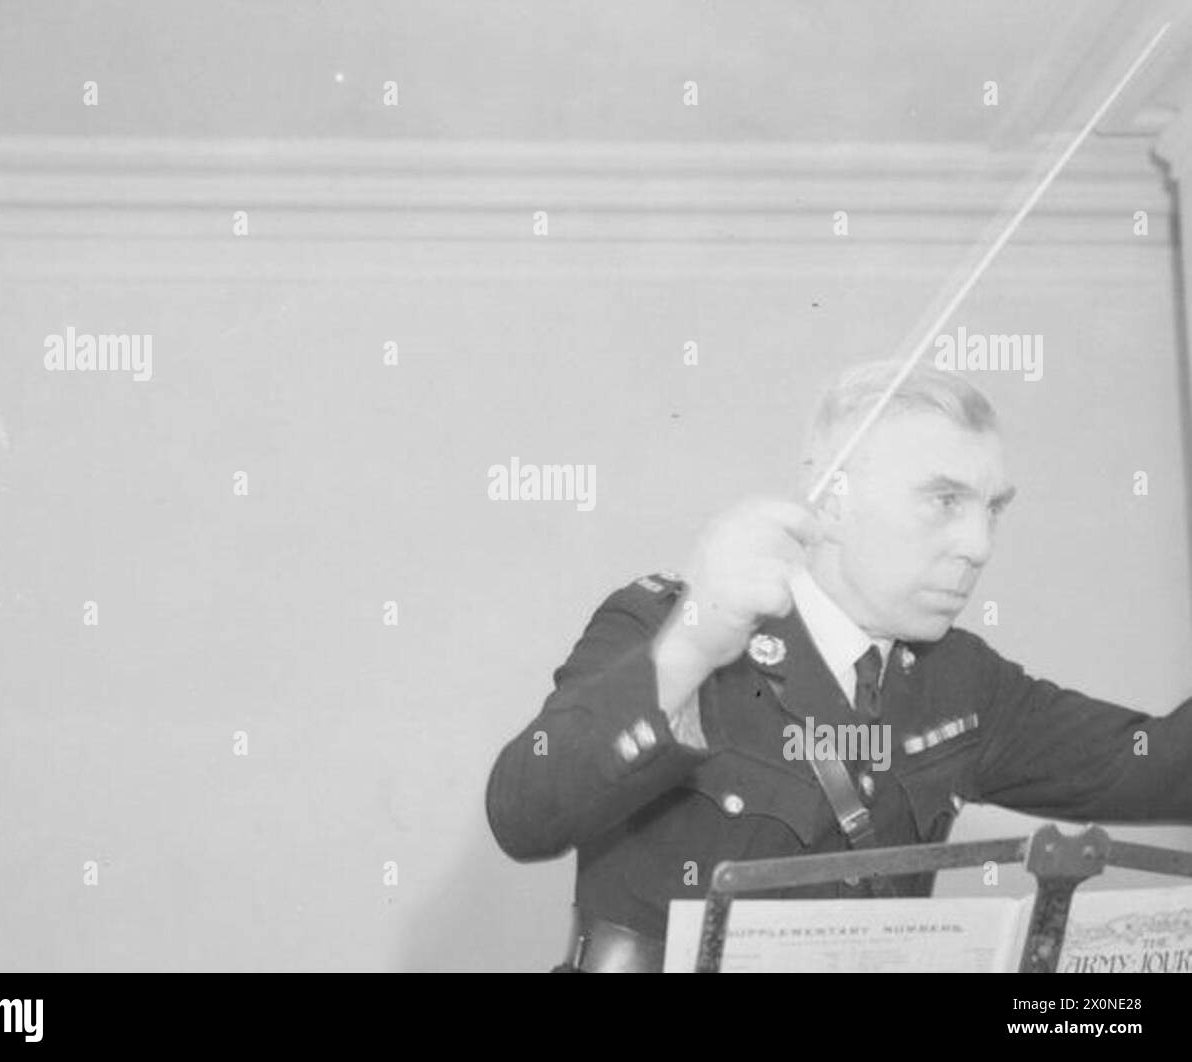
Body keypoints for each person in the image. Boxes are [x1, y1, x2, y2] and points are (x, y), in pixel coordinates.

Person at [484, 360, 1192, 972]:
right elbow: (523, 815)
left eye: (992, 510)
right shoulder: (666, 625)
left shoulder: (964, 682)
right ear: (833, 498)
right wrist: (693, 647)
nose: (977, 544)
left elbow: (1164, 765)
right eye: (944, 501)